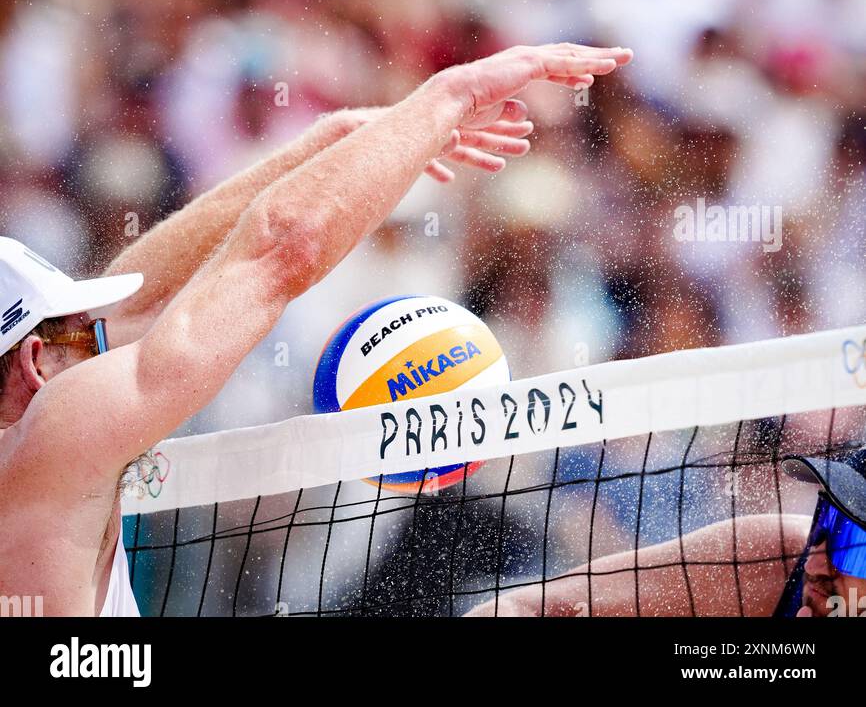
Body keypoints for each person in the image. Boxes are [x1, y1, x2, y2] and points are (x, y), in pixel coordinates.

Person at [0, 42, 632, 617]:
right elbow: (277, 251)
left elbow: (143, 294)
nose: (104, 338)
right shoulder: (54, 436)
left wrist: (322, 146)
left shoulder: (37, 447)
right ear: (34, 362)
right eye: (80, 333)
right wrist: (448, 95)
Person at [467, 448, 866, 618]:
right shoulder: (769, 560)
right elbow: (530, 608)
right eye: (827, 522)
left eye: (850, 547)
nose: (815, 559)